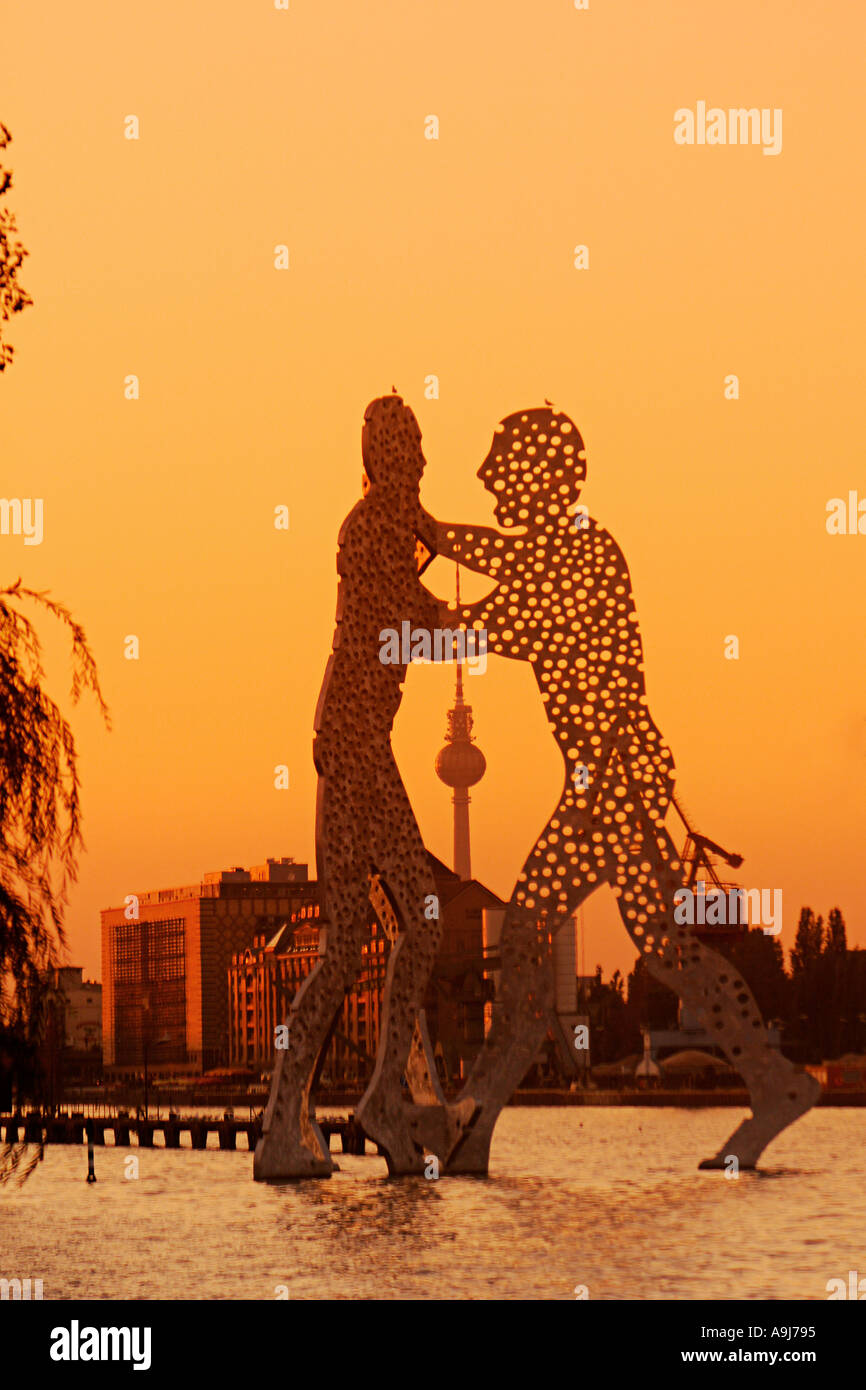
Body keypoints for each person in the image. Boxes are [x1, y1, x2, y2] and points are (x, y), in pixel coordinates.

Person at [434, 405, 818, 1172]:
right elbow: (500, 560)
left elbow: (497, 617)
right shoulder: (558, 551)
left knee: (530, 941)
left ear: (541, 475)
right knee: (652, 947)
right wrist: (430, 534)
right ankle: (774, 1082)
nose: (485, 477)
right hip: (611, 777)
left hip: (609, 779)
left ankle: (473, 1129)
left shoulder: (581, 555)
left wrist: (414, 607)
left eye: (500, 464)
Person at [254, 394, 467, 1180]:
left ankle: (291, 1119)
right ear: (390, 459)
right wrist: (498, 619)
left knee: (351, 944)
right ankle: (375, 1097)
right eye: (411, 451)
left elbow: (443, 541)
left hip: (350, 741)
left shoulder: (385, 519)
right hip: (355, 745)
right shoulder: (377, 528)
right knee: (421, 918)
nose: (420, 464)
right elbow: (420, 619)